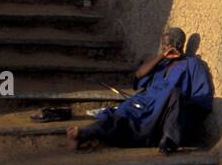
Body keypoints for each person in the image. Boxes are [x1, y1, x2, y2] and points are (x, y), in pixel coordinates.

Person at [67, 28, 213, 154]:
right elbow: (139, 75)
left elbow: (202, 100)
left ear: (178, 45)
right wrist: (161, 56)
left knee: (174, 92)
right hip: (144, 103)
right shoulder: (161, 62)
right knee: (119, 117)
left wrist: (181, 114)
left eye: (166, 45)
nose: (163, 48)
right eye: (162, 45)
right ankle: (84, 134)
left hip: (163, 110)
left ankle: (168, 140)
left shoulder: (193, 64)